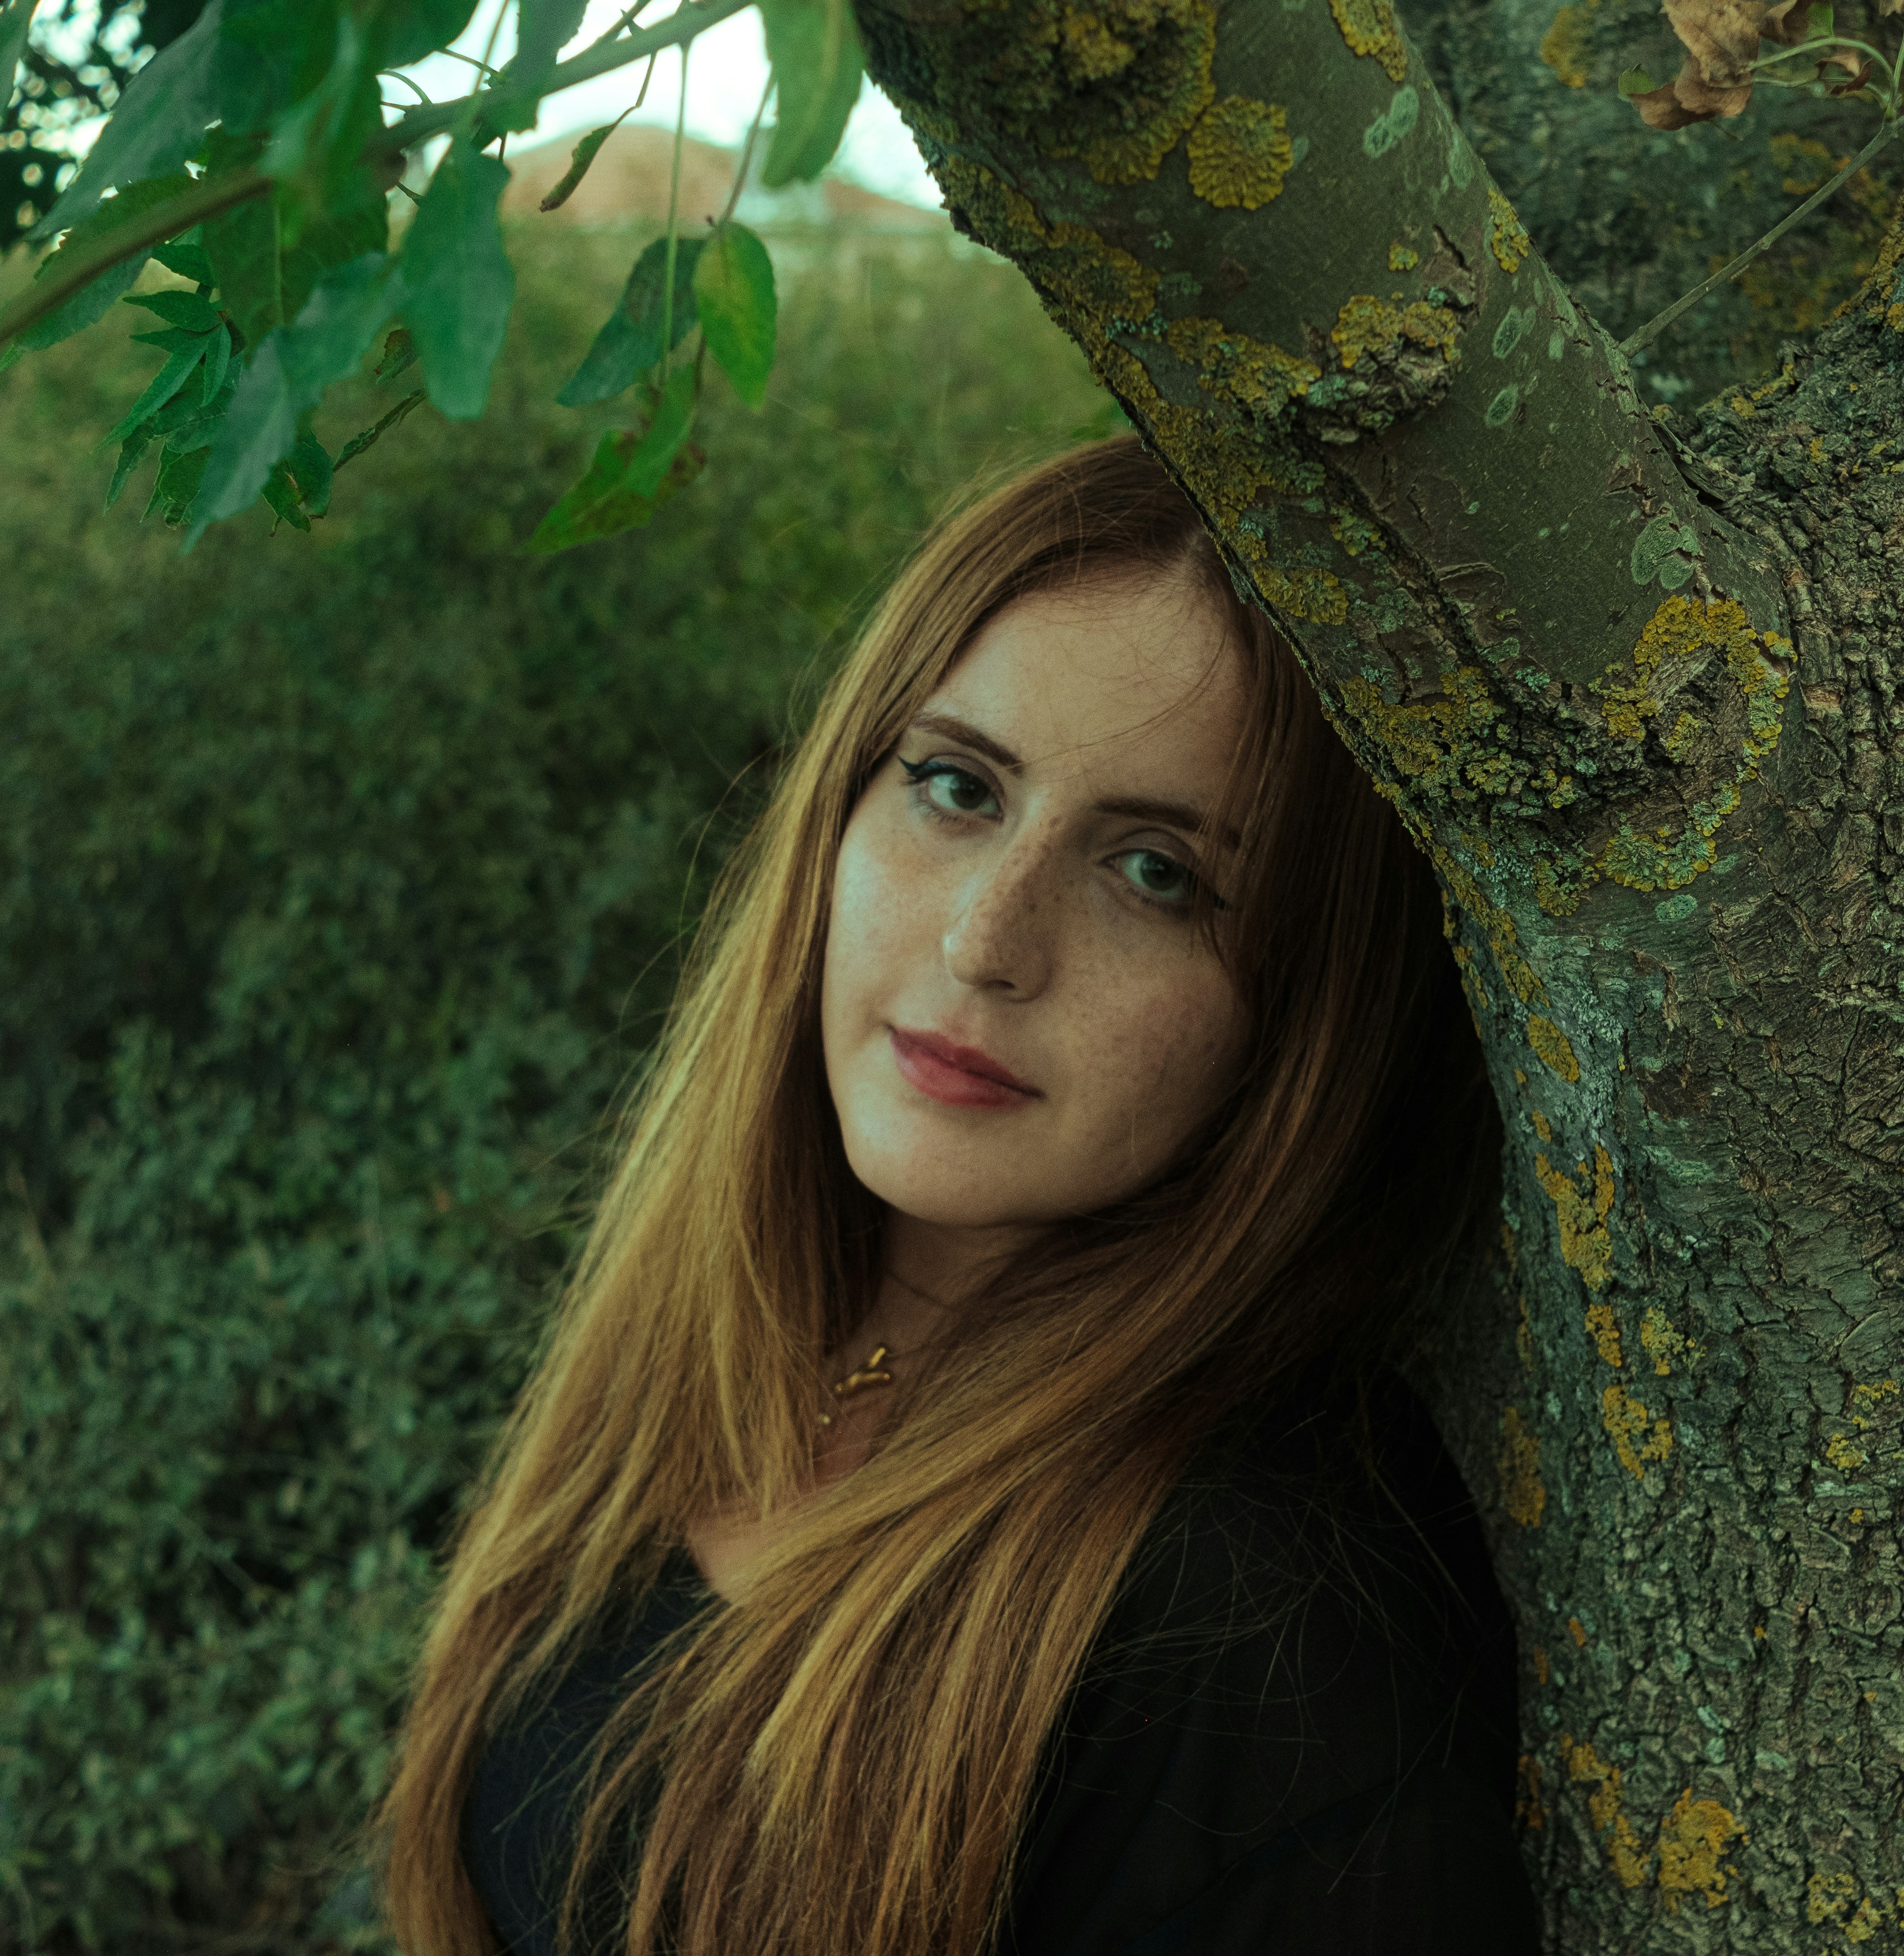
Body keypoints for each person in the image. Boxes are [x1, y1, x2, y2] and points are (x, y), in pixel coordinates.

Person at [375, 437, 1534, 1956]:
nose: (988, 940)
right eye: (954, 786)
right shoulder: (731, 1342)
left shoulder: (1266, 1637)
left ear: (1311, 1017)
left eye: (1157, 874)